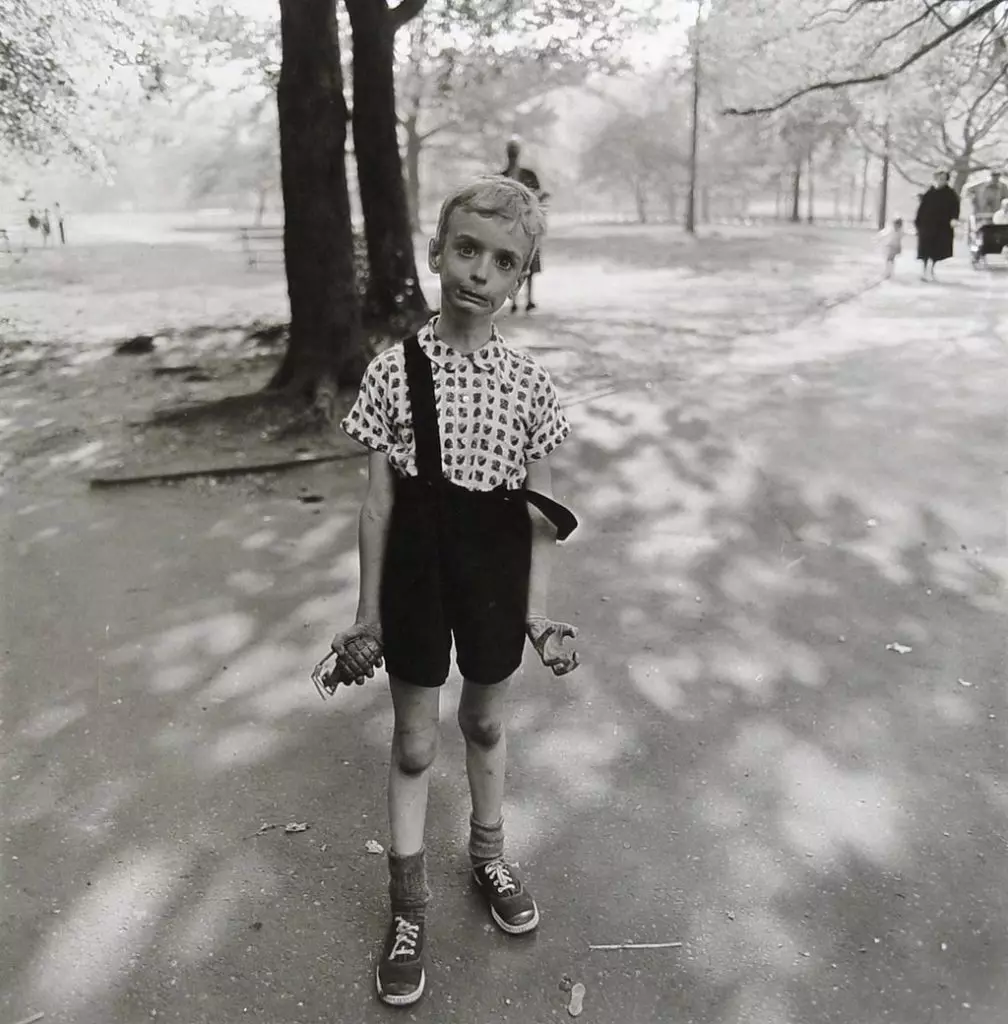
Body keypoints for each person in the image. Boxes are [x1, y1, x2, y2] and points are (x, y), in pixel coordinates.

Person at [328, 176, 580, 1008]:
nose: (479, 271)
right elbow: (376, 504)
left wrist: (539, 615)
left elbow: (543, 515)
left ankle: (489, 856)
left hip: (495, 576)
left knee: (483, 721)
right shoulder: (393, 372)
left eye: (503, 260)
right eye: (466, 249)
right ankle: (407, 909)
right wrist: (366, 614)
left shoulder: (533, 389)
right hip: (415, 574)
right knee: (413, 743)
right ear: (437, 252)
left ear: (521, 279)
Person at [501, 139, 549, 312]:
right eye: (511, 151)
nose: (512, 155)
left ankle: (529, 299)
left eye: (514, 151)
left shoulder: (528, 175)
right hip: (509, 228)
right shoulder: (502, 176)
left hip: (528, 226)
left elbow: (537, 198)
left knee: (528, 263)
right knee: (512, 263)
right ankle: (513, 301)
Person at [914, 171, 960, 281]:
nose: (941, 180)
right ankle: (924, 270)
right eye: (939, 178)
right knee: (925, 248)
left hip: (942, 225)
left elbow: (955, 207)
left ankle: (932, 269)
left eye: (943, 178)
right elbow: (922, 208)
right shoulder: (930, 192)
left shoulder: (950, 194)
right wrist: (917, 221)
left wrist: (954, 218)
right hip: (927, 224)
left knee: (937, 249)